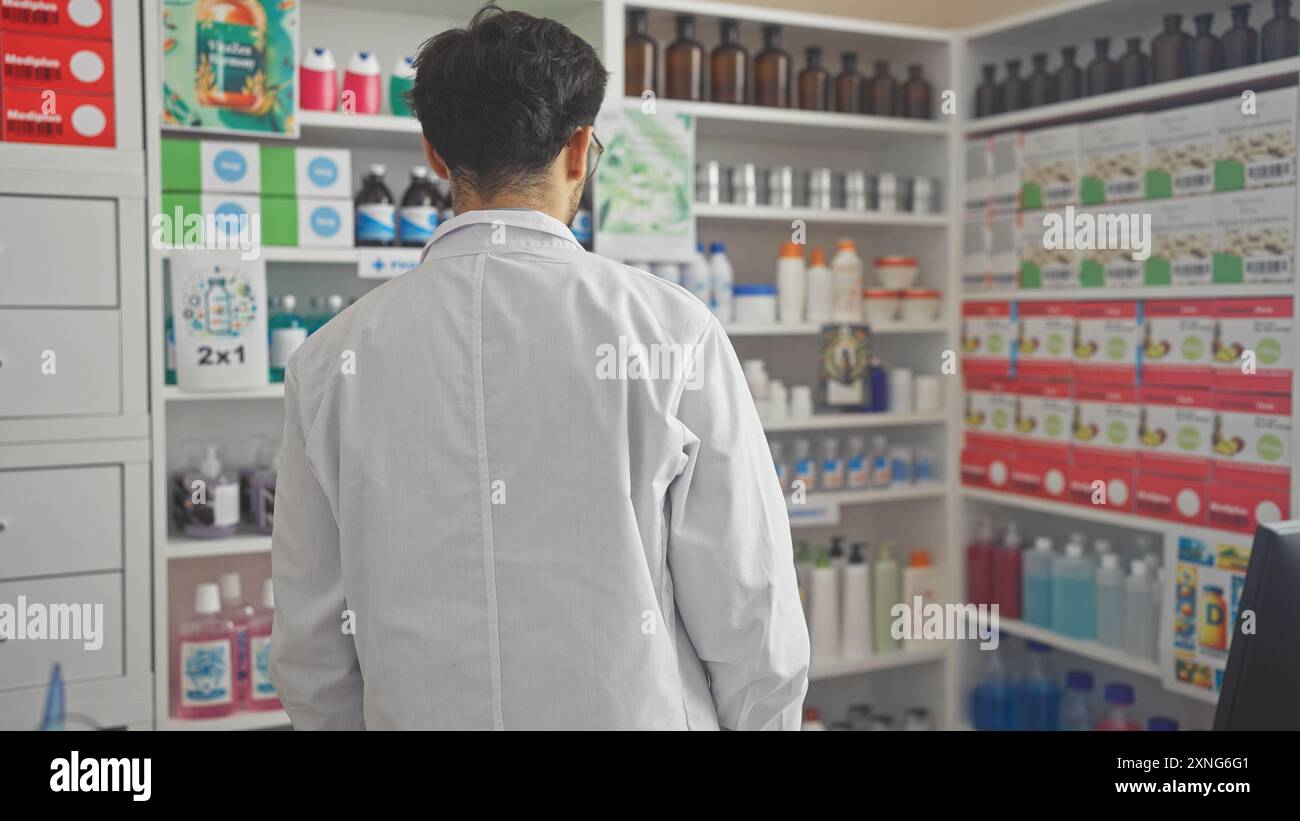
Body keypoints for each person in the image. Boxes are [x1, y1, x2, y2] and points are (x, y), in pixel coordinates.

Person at [270, 4, 808, 730]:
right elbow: (753, 613)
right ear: (581, 149)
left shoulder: (329, 360)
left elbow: (311, 653)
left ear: (434, 155)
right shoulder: (672, 331)